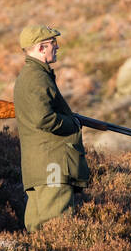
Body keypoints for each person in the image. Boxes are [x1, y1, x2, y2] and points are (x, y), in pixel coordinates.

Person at [13, 24, 90, 231]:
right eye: (53, 43)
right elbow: (44, 118)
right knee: (57, 228)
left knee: (38, 230)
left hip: (41, 166)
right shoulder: (37, 77)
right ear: (40, 48)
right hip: (53, 165)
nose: (57, 47)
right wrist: (72, 123)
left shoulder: (30, 75)